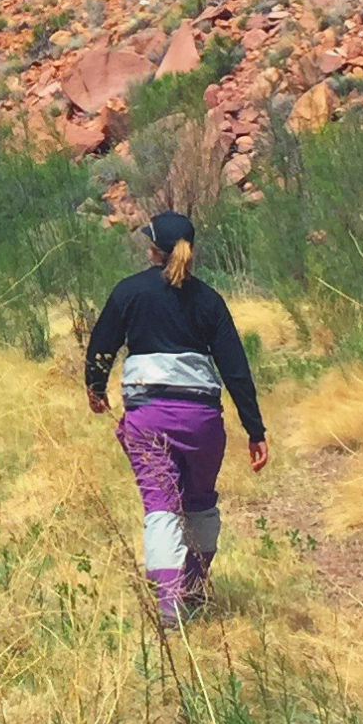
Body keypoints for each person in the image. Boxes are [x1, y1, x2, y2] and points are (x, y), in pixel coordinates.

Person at [85, 210, 267, 626]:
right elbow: (235, 368)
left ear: (153, 248)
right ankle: (197, 589)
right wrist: (255, 430)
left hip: (148, 419)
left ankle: (169, 608)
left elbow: (102, 345)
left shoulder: (130, 292)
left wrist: (95, 388)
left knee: (161, 506)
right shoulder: (209, 300)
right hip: (203, 422)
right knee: (200, 503)